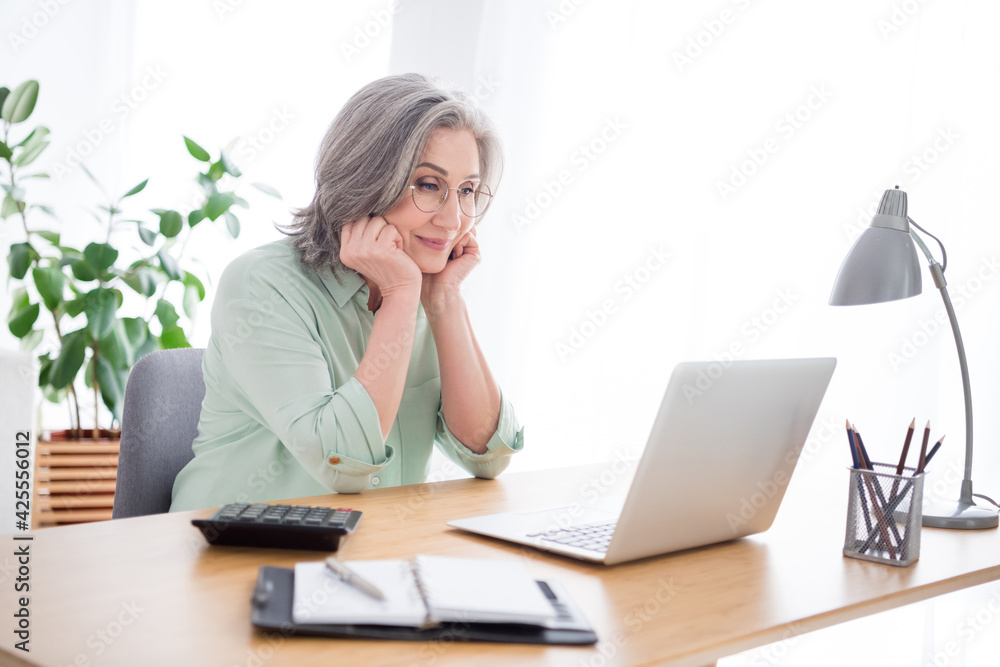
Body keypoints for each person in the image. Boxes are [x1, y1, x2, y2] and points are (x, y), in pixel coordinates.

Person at [170, 73, 524, 512]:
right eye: (429, 186)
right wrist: (399, 294)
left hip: (372, 557)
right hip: (235, 557)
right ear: (367, 180)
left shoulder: (425, 287)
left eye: (467, 190)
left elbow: (488, 454)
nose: (454, 220)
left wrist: (444, 301)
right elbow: (344, 464)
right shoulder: (261, 284)